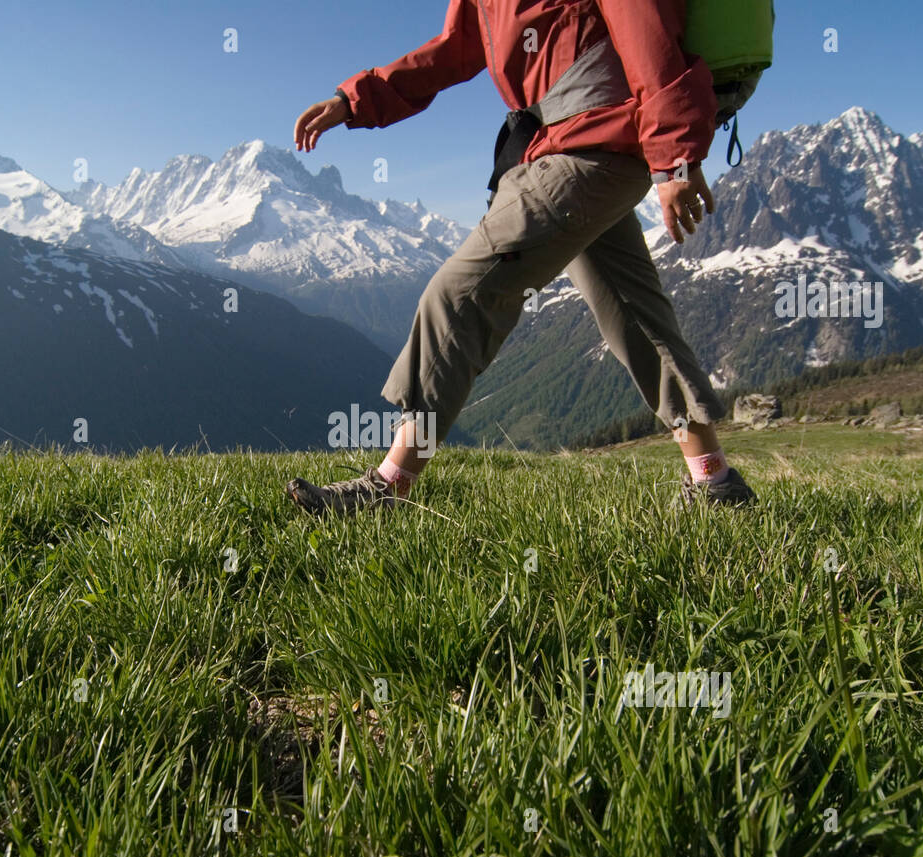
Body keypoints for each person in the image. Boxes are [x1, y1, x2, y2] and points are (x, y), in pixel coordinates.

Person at [285, 0, 756, 516]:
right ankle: (715, 481)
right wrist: (354, 100)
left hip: (592, 146)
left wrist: (677, 159)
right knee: (635, 316)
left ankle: (387, 488)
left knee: (461, 295)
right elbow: (451, 53)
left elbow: (648, 30)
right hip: (581, 146)